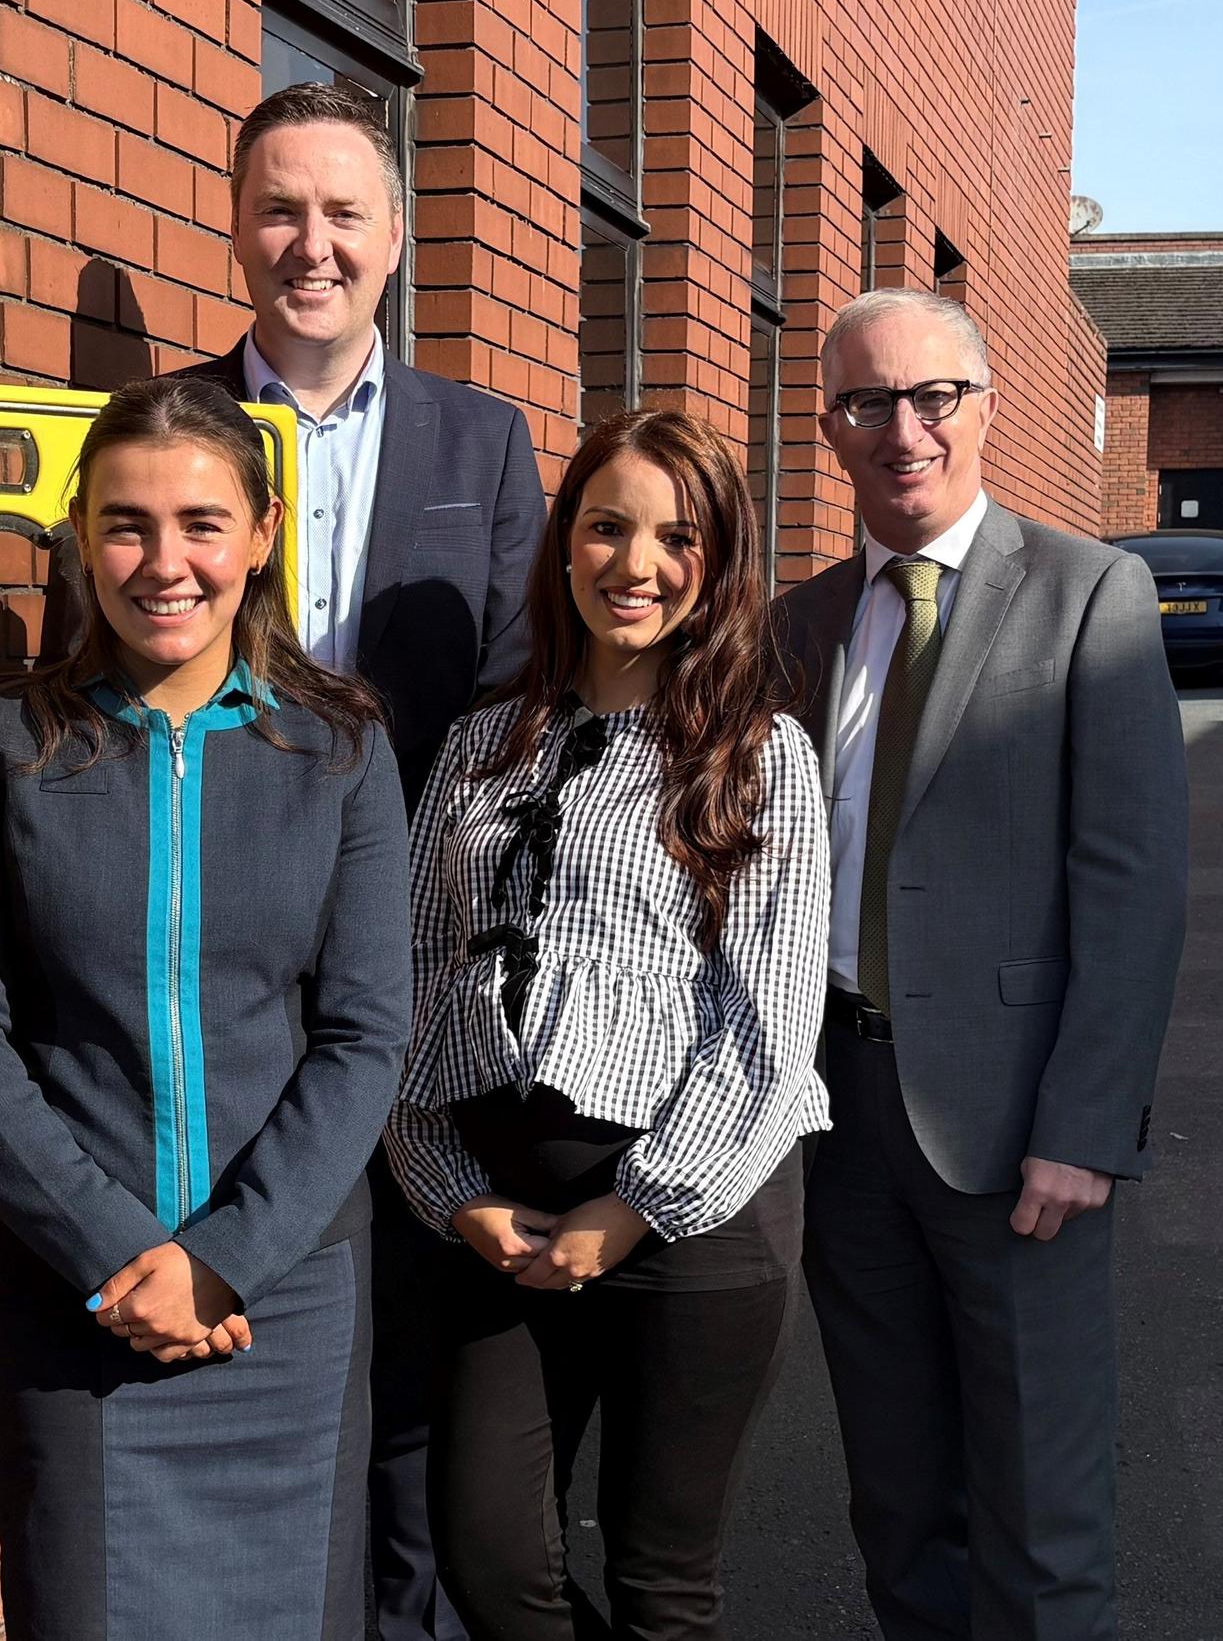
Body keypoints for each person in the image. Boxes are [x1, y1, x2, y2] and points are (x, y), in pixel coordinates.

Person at [0, 376, 413, 1639]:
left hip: (282, 1295)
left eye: (199, 521)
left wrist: (222, 1257)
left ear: (262, 531)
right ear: (81, 534)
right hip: (77, 1292)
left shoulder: (341, 748)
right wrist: (112, 1255)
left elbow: (365, 1034)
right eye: (126, 524)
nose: (163, 561)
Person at [173, 81, 545, 1640]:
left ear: (395, 239)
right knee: (260, 1314)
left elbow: (528, 693)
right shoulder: (171, 430)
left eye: (342, 214)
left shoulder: (484, 438)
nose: (308, 245)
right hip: (230, 960)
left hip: (426, 955)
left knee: (417, 1357)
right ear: (239, 226)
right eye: (279, 210)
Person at [775, 289, 1188, 1640]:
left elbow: (1131, 885)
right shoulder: (804, 623)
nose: (901, 429)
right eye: (864, 402)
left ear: (984, 403)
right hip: (844, 1111)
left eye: (930, 396)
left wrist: (1086, 1124)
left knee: (1041, 1511)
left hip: (1018, 1131)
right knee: (897, 1501)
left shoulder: (1090, 592)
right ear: (830, 425)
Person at [389, 408, 832, 1639]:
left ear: (717, 564)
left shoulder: (758, 755)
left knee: (658, 1585)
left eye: (673, 538)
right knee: (485, 1558)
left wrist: (632, 1210)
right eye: (604, 528)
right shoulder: (481, 747)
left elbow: (767, 1017)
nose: (632, 566)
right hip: (500, 1211)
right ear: (562, 545)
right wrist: (444, 1185)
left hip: (696, 1221)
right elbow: (416, 969)